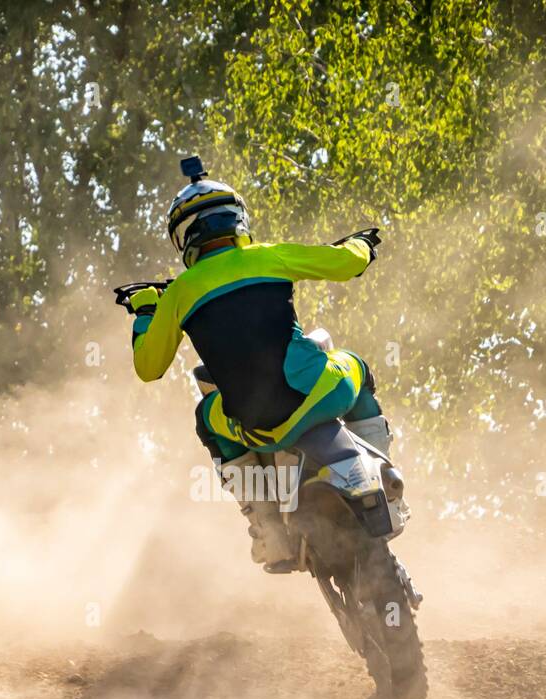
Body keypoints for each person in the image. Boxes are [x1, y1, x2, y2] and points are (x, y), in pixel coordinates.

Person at [127, 157, 392, 572]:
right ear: (238, 219)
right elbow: (349, 263)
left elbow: (148, 367)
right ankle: (379, 473)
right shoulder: (271, 257)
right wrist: (361, 244)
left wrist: (145, 310)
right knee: (355, 366)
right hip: (324, 392)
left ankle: (269, 528)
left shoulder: (180, 292)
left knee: (206, 417)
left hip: (261, 427)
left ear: (184, 239)